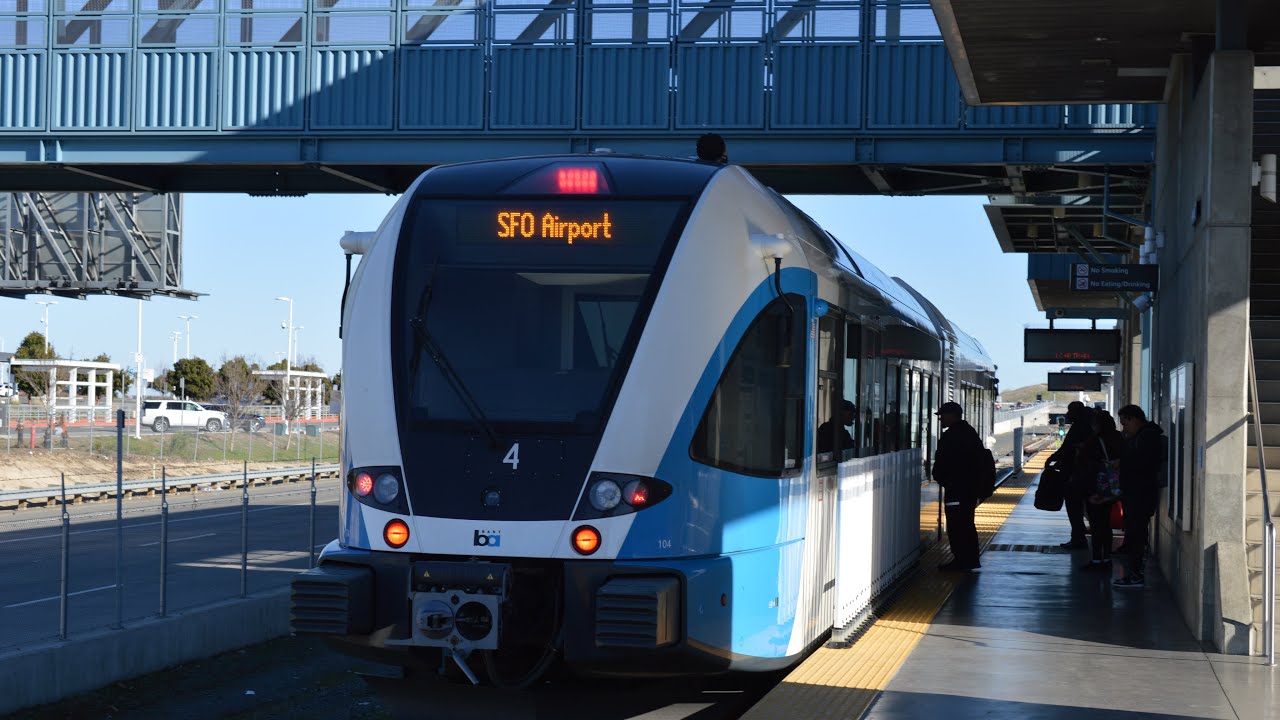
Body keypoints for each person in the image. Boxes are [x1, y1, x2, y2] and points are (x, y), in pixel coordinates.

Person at [1114, 405, 1165, 588]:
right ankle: (1135, 573)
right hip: (1137, 493)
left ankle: (1135, 575)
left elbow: (1142, 463)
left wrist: (1123, 462)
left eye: (1125, 423)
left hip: (1140, 494)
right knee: (1135, 534)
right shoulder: (1142, 436)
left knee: (1136, 535)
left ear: (1134, 419)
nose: (1124, 428)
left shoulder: (1147, 437)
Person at [932, 401, 984, 571]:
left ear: (952, 415)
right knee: (966, 523)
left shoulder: (954, 435)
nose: (941, 419)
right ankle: (970, 559)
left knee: (958, 525)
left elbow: (947, 462)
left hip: (957, 489)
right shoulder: (968, 432)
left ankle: (962, 560)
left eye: (942, 416)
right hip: (967, 489)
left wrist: (946, 481)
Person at [1074, 409, 1125, 570]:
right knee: (1106, 525)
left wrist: (1089, 491)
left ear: (1097, 425)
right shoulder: (1118, 437)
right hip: (1112, 488)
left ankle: (1097, 560)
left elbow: (1087, 467)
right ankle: (1107, 559)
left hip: (1096, 489)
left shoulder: (1095, 440)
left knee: (1096, 526)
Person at [1048, 401, 1093, 548]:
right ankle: (1079, 538)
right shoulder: (1088, 426)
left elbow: (1067, 448)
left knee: (1074, 508)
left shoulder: (1079, 427)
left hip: (1075, 474)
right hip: (1085, 474)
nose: (1067, 414)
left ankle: (1078, 539)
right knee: (1083, 508)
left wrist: (1053, 458)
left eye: (1070, 411)